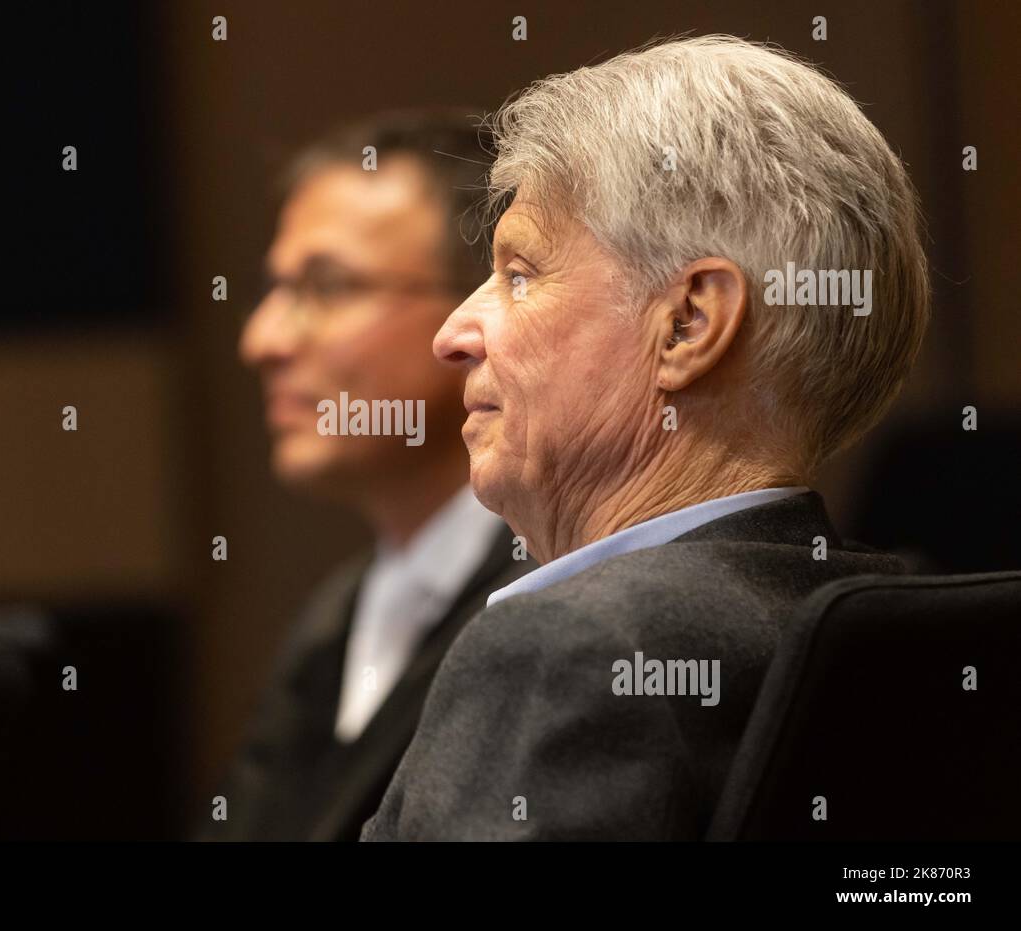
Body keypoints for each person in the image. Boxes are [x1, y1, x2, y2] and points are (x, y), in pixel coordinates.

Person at [363, 36, 930, 840]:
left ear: (687, 324)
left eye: (519, 274)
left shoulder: (569, 650)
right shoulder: (891, 640)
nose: (454, 332)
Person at [200, 111, 535, 841]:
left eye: (328, 286)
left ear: (479, 309)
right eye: (275, 287)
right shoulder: (333, 618)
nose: (262, 339)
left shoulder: (551, 604)